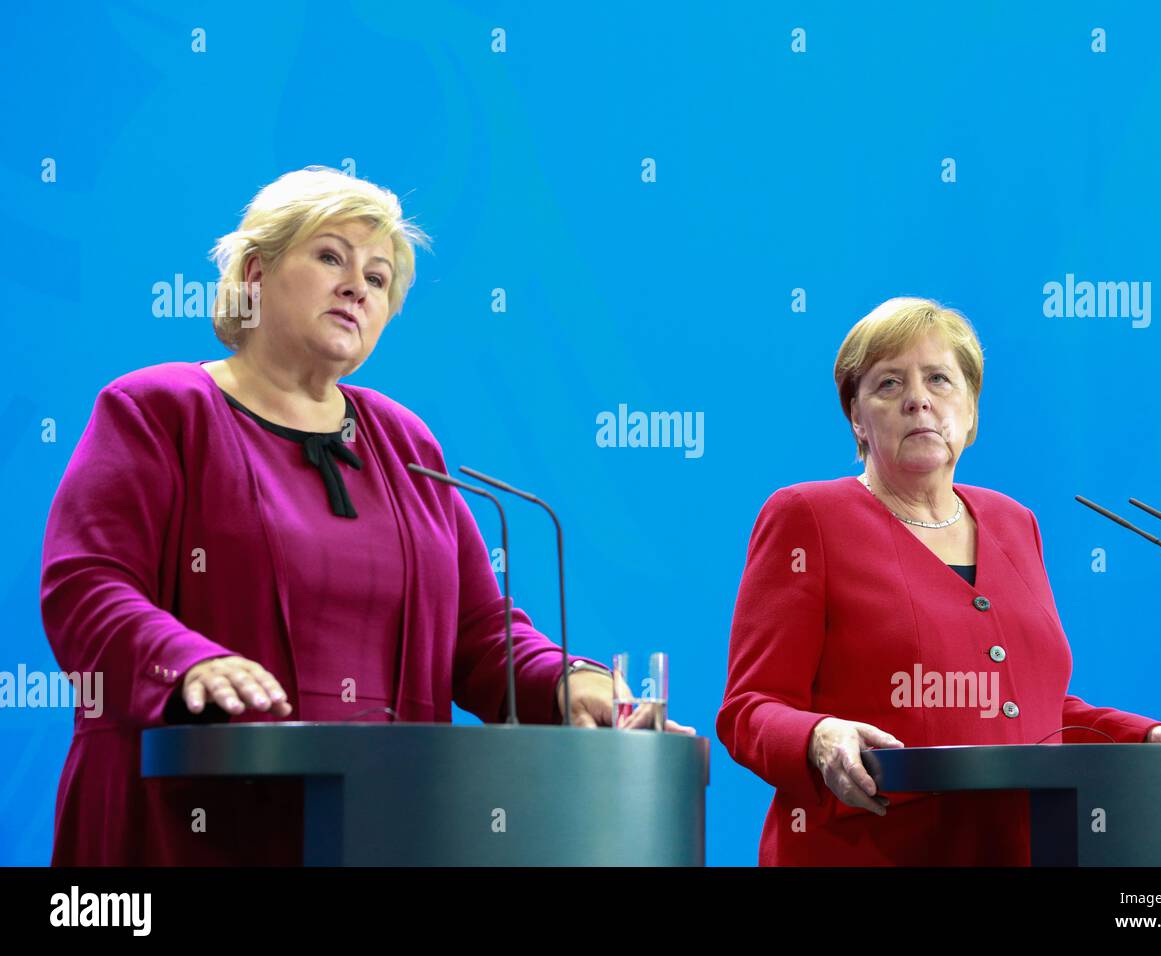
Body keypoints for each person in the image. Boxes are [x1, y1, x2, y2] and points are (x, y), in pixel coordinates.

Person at [41, 166, 692, 866]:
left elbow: (479, 634)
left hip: (382, 825)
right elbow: (86, 585)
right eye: (330, 258)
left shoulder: (404, 441)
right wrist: (185, 663)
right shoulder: (160, 409)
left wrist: (565, 680)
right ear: (255, 274)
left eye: (378, 278)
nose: (357, 286)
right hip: (189, 819)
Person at [715, 296, 1161, 866]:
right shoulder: (807, 516)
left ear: (971, 414)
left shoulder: (1015, 524)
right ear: (856, 420)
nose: (919, 399)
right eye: (889, 384)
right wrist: (818, 737)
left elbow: (1027, 708)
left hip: (1024, 848)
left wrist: (1141, 737)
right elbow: (750, 707)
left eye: (940, 379)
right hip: (869, 850)